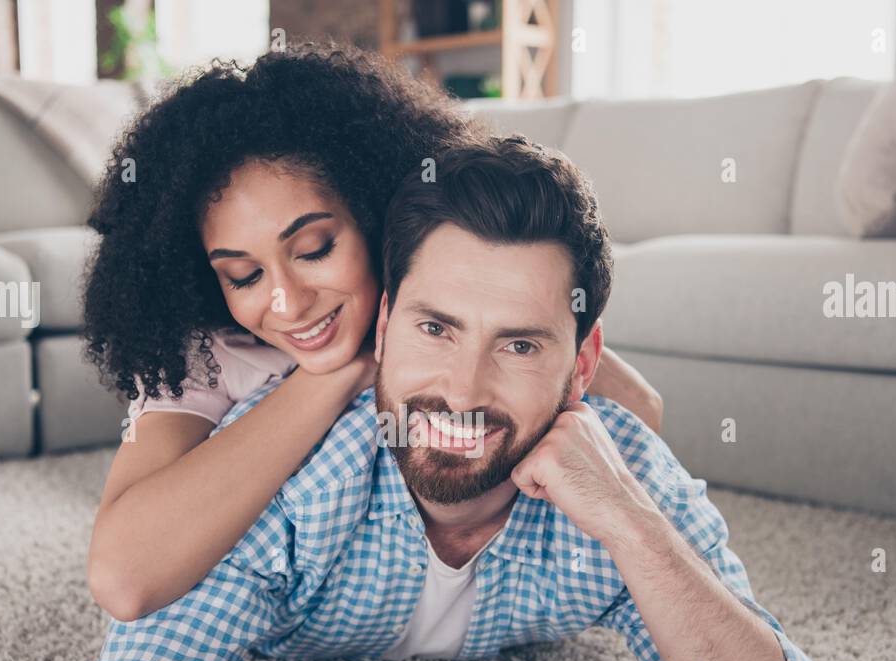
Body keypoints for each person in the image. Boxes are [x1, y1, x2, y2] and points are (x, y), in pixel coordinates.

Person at [79, 136, 845, 661]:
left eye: (518, 344)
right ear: (381, 329)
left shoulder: (618, 472)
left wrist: (636, 529)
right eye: (436, 329)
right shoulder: (282, 477)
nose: (462, 390)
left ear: (581, 367)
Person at [82, 44, 664, 623]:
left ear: (376, 213)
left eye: (314, 250)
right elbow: (123, 579)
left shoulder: (450, 302)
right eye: (245, 275)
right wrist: (341, 375)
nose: (288, 303)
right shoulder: (210, 357)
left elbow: (642, 413)